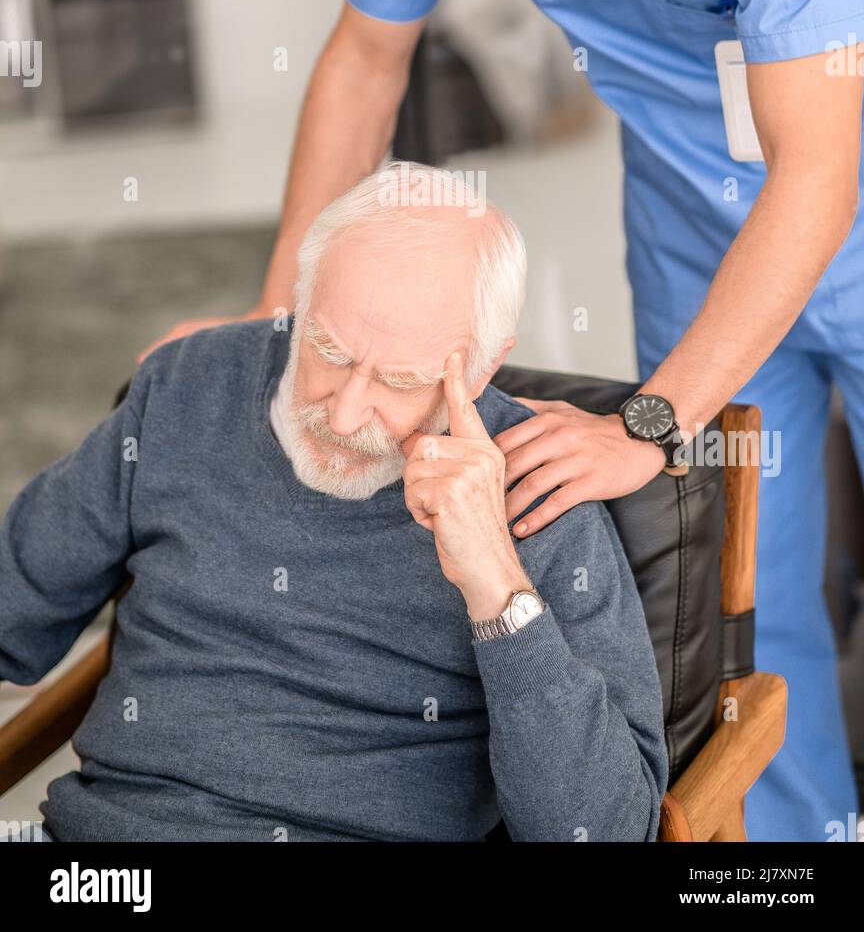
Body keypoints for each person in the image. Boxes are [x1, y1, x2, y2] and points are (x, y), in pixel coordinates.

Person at [146, 0, 864, 841]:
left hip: (844, 191)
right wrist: (276, 330)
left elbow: (819, 163)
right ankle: (799, 846)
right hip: (697, 227)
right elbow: (368, 62)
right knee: (758, 596)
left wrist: (649, 416)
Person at [0, 165, 667, 843]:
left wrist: (494, 583)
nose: (345, 417)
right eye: (326, 349)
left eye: (400, 381)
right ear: (300, 297)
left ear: (486, 365)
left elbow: (604, 832)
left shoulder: (541, 489)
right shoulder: (185, 386)